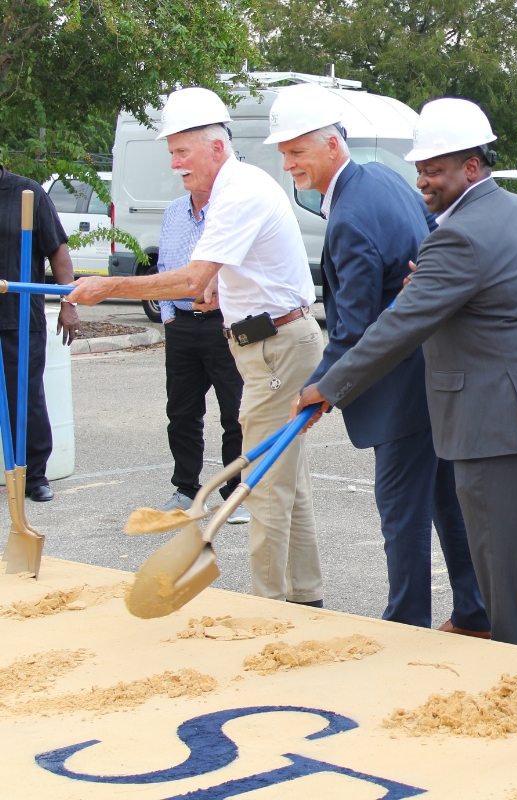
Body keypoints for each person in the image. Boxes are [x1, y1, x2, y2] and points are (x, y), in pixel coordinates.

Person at [293, 98, 517, 648]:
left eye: (436, 170)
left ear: (472, 167)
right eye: (421, 169)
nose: (423, 182)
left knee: (505, 568)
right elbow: (492, 295)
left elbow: (396, 327)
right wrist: (431, 284)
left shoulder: (458, 235)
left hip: (496, 419)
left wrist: (327, 388)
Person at [67, 87, 324, 607]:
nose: (176, 164)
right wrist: (220, 288)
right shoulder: (236, 187)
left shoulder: (238, 192)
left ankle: (269, 610)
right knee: (285, 480)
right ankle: (304, 599)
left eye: (183, 152)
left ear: (216, 146)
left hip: (276, 347)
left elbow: (191, 279)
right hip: (272, 340)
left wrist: (109, 287)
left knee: (264, 485)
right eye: (171, 153)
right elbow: (220, 276)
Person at [267, 85, 489, 635]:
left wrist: (321, 388)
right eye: (284, 152)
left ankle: (405, 621)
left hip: (399, 389)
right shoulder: (381, 177)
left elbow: (353, 328)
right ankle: (475, 611)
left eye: (297, 151)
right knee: (444, 501)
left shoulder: (349, 220)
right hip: (431, 374)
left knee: (400, 511)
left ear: (332, 146)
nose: (288, 162)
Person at [156, 187, 249, 524]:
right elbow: (164, 265)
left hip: (223, 325)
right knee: (181, 412)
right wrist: (168, 315)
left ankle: (235, 495)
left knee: (236, 414)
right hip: (180, 324)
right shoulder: (174, 211)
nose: (182, 169)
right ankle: (185, 489)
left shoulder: (229, 210)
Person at [0, 167, 80, 502]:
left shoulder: (27, 193)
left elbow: (57, 250)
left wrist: (68, 302)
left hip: (18, 316)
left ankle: (34, 476)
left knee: (25, 397)